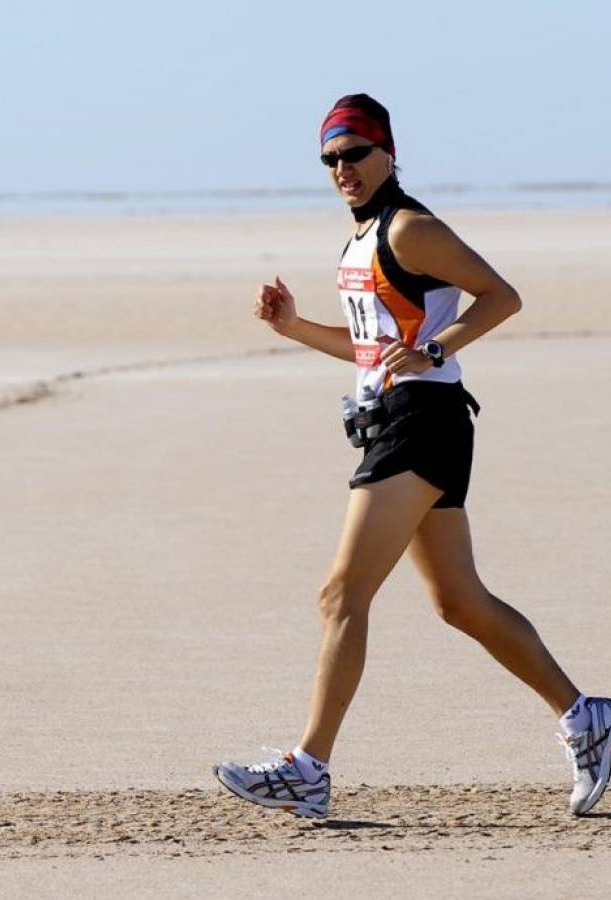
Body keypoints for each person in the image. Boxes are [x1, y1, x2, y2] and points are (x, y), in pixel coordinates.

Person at [212, 94, 609, 820]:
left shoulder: (411, 229)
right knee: (459, 602)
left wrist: (433, 348)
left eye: (355, 154)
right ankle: (589, 717)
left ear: (388, 152)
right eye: (330, 159)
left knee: (340, 594)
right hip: (399, 419)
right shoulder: (360, 240)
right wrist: (295, 327)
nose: (343, 170)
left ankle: (309, 766)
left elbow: (502, 296)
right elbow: (372, 350)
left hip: (421, 422)